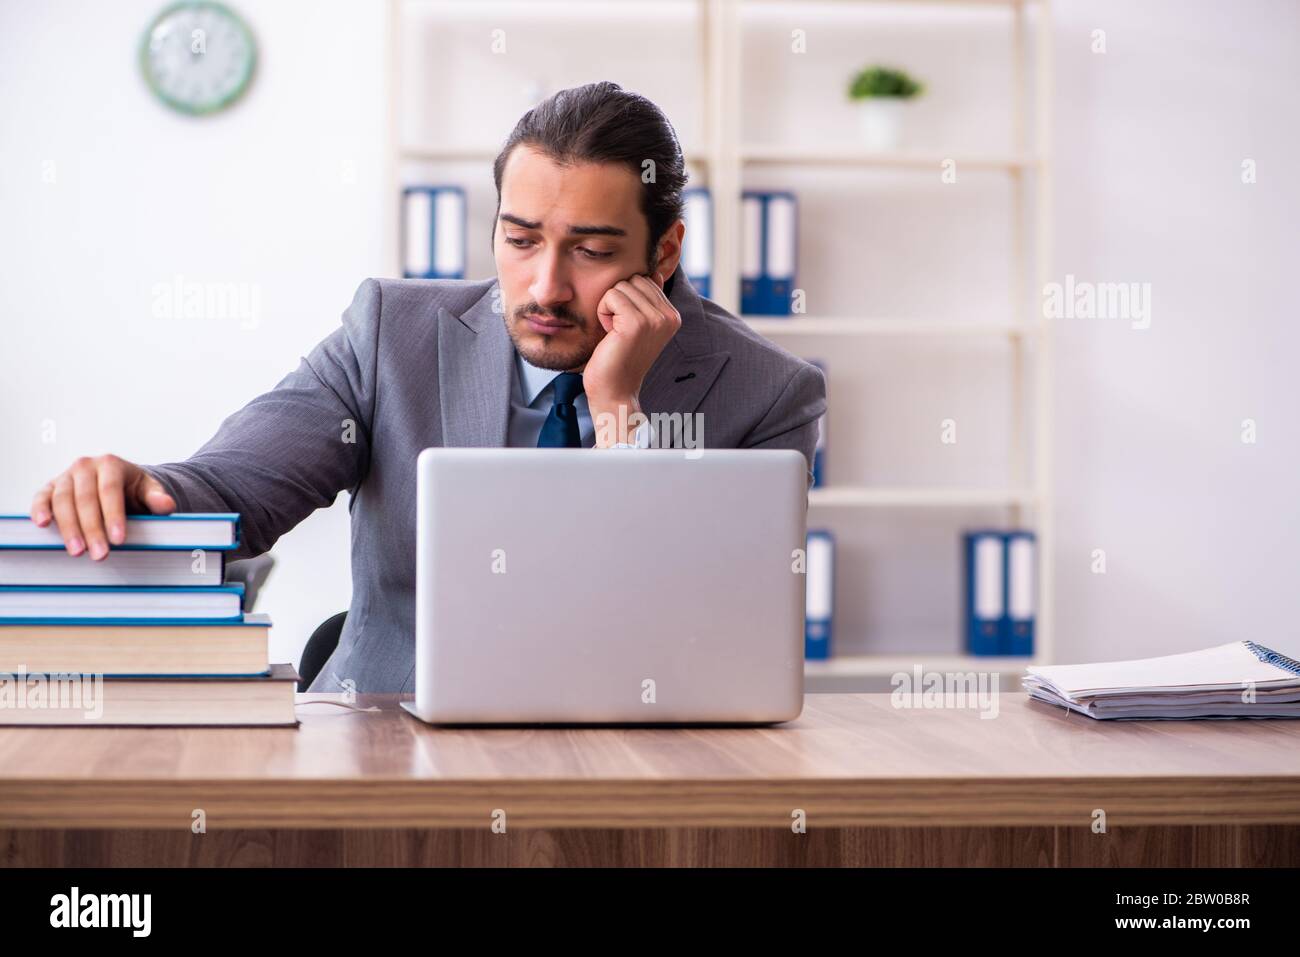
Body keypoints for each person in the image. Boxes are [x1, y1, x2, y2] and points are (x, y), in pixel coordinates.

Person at [29, 81, 827, 693]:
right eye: (520, 240)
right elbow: (231, 492)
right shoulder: (391, 336)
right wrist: (148, 489)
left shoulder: (768, 393)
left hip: (629, 759)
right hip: (386, 746)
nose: (543, 286)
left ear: (663, 254)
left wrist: (621, 409)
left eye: (589, 250)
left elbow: (721, 632)